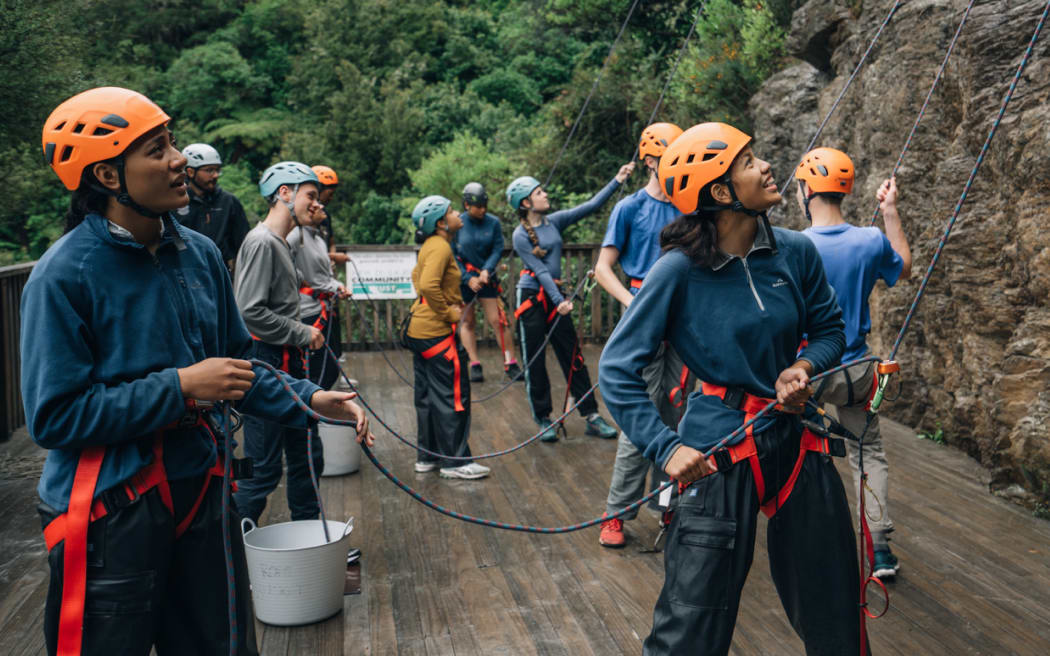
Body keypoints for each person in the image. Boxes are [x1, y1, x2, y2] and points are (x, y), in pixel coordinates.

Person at [24, 87, 371, 656]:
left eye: (173, 143)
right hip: (113, 510)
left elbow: (236, 368)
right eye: (157, 150)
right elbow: (55, 416)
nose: (180, 159)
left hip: (202, 492)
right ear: (110, 177)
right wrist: (180, 387)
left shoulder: (200, 255)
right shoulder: (64, 276)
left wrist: (310, 398)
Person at [599, 122, 864, 654]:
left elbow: (832, 329)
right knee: (691, 622)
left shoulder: (794, 252)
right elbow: (617, 369)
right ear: (720, 193)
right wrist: (666, 447)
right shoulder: (677, 272)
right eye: (748, 162)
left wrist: (805, 367)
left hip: (795, 437)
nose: (766, 165)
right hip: (719, 446)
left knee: (836, 607)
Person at [797, 147, 912, 579]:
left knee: (801, 451)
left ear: (807, 190)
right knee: (869, 453)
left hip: (808, 371)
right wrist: (891, 212)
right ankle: (879, 551)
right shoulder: (869, 240)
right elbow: (903, 270)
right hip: (857, 369)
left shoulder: (795, 246)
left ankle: (810, 543)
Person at [594, 123, 692, 548]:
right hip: (644, 313)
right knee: (643, 414)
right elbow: (602, 268)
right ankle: (616, 512)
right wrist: (635, 305)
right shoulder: (631, 208)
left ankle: (667, 504)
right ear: (651, 160)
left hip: (684, 317)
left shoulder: (690, 207)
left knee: (680, 413)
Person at [233, 162, 335, 522]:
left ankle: (311, 541)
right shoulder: (262, 242)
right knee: (262, 471)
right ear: (284, 193)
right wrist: (302, 332)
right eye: (310, 195)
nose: (315, 203)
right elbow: (249, 312)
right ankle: (235, 554)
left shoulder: (278, 243)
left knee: (308, 457)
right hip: (264, 361)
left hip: (286, 359)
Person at [507, 165, 633, 441]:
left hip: (556, 296)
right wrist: (558, 301)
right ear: (526, 203)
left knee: (572, 354)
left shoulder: (555, 222)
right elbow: (540, 271)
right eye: (539, 192)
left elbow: (591, 205)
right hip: (532, 299)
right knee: (535, 360)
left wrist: (617, 178)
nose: (545, 194)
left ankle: (591, 415)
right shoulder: (520, 235)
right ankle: (543, 419)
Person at [406, 195, 491, 480]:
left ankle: (427, 456)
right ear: (441, 223)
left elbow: (416, 277)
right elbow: (428, 284)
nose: (459, 215)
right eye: (453, 211)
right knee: (453, 395)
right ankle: (455, 462)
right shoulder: (441, 247)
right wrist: (449, 313)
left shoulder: (431, 246)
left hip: (420, 330)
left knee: (427, 395)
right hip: (436, 332)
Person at [453, 182, 521, 382]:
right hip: (465, 281)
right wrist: (468, 278)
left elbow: (497, 248)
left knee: (498, 320)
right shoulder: (458, 223)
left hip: (487, 279)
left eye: (485, 205)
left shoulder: (493, 223)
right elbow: (453, 255)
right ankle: (474, 364)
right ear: (467, 205)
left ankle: (510, 363)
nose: (482, 210)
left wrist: (487, 270)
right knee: (468, 322)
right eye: (478, 206)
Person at [290, 192, 350, 391]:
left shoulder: (318, 237)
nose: (321, 206)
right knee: (316, 370)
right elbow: (286, 266)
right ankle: (308, 416)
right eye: (315, 203)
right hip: (308, 311)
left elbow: (321, 275)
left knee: (330, 368)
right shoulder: (294, 236)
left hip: (324, 307)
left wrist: (336, 287)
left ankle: (311, 413)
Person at [177, 142, 251, 271]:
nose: (215, 175)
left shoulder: (228, 202)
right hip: (187, 273)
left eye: (217, 170)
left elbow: (244, 242)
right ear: (190, 172)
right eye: (209, 170)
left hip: (222, 273)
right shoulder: (177, 202)